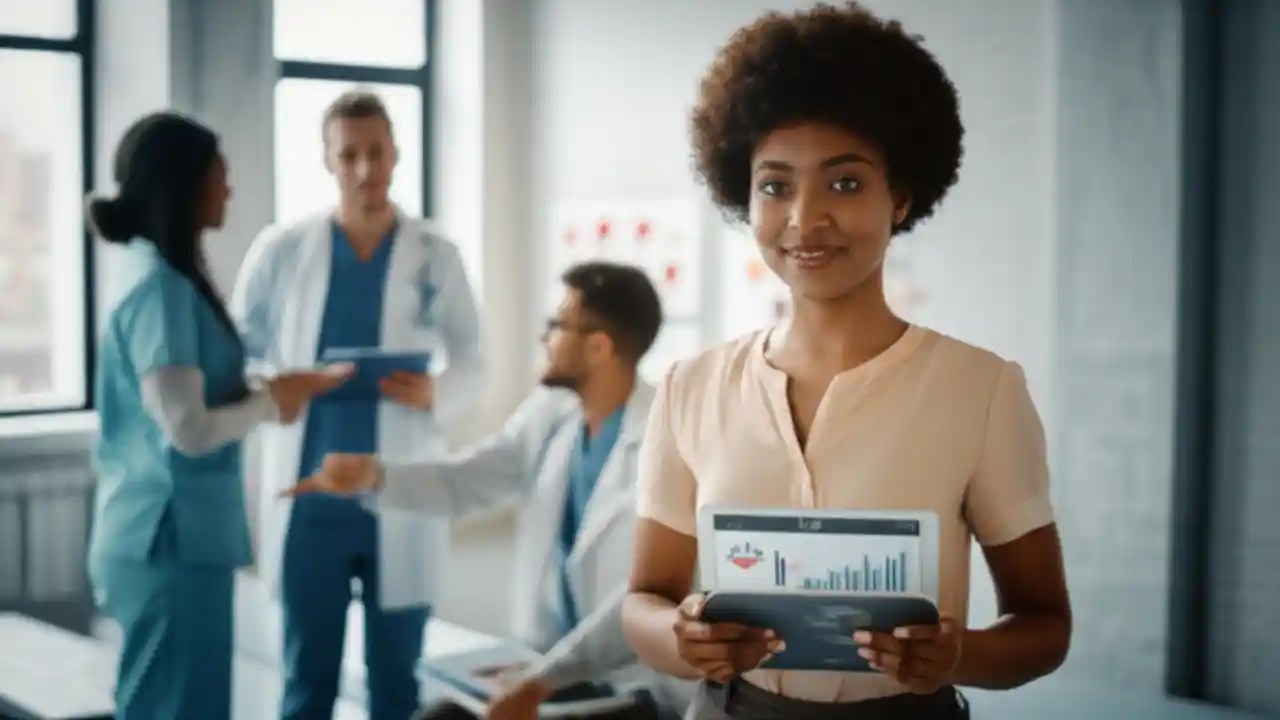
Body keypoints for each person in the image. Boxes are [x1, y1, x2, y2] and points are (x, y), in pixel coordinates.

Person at [620, 4, 1073, 719]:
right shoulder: (690, 388)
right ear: (745, 195)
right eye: (775, 185)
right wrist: (684, 639)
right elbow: (644, 600)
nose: (805, 218)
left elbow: (1045, 625)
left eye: (845, 182)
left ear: (901, 196)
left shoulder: (981, 390)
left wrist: (962, 656)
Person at [289, 262, 692, 720]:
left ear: (599, 346)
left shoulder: (665, 439)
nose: (545, 338)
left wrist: (543, 679)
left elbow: (640, 600)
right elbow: (474, 478)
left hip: (631, 686)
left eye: (557, 324)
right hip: (551, 670)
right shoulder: (553, 413)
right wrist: (374, 476)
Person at [230, 89, 486, 720]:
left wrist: (439, 392)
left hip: (397, 489)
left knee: (396, 685)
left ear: (396, 151)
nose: (366, 169)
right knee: (306, 683)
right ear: (327, 161)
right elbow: (236, 353)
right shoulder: (282, 250)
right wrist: (280, 381)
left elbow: (476, 360)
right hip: (310, 495)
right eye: (350, 155)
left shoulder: (437, 254)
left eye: (377, 152)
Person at [86, 112, 350, 720]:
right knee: (175, 709)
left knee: (184, 704)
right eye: (219, 176)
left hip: (172, 538)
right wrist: (268, 402)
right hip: (167, 540)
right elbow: (189, 429)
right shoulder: (162, 289)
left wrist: (270, 388)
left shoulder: (162, 277)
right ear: (184, 185)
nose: (228, 190)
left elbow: (192, 396)